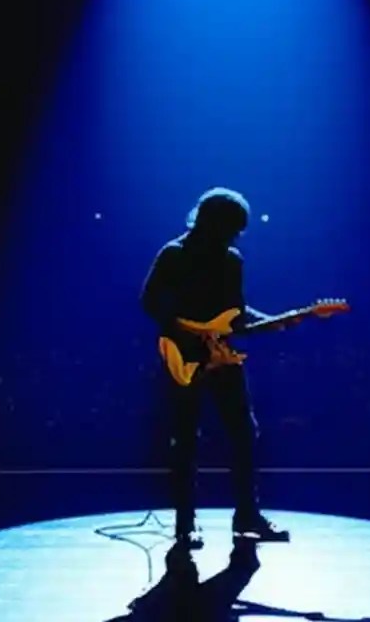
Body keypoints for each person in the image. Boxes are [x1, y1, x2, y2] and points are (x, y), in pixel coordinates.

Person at [140, 188, 292, 549]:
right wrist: (192, 333)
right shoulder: (174, 254)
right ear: (212, 223)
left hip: (222, 356)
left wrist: (275, 322)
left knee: (244, 432)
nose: (234, 237)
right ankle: (185, 525)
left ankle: (247, 516)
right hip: (184, 356)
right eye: (230, 229)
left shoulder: (231, 260)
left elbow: (236, 313)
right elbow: (149, 301)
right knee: (186, 439)